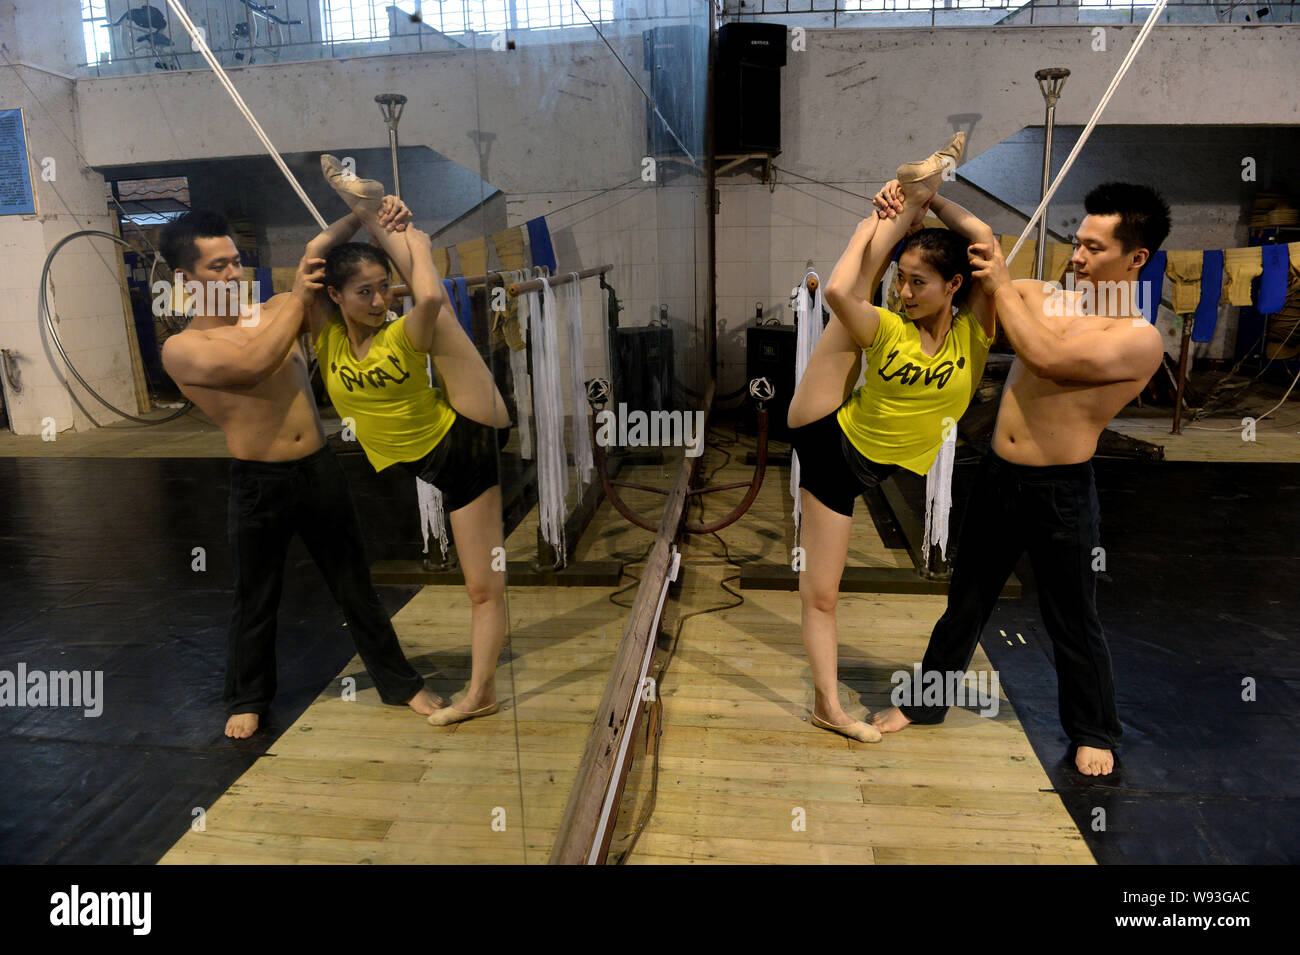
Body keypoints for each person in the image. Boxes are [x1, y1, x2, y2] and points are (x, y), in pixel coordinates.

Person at [871, 182, 1170, 778]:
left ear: (1135, 259)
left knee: (1070, 618)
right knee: (966, 601)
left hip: (1059, 492)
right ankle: (926, 703)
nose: (1077, 256)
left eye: (1093, 247)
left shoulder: (1138, 340)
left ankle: (1093, 730)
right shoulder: (1044, 296)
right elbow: (980, 241)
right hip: (997, 476)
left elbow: (1045, 359)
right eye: (1076, 242)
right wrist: (926, 198)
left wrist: (1004, 286)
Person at [159, 208, 445, 739]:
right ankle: (247, 697)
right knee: (256, 596)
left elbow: (318, 251)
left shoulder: (276, 310)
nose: (233, 275)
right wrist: (296, 296)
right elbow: (252, 365)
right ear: (184, 279)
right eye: (217, 266)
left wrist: (364, 208)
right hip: (258, 484)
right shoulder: (183, 349)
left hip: (318, 469)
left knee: (355, 586)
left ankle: (400, 683)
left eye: (236, 261)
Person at [786, 133, 998, 743]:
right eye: (901, 280)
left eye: (919, 283)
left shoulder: (976, 332)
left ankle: (913, 189)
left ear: (955, 286)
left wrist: (934, 203)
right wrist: (877, 224)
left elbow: (983, 242)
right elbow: (838, 293)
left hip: (873, 461)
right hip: (829, 443)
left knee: (859, 298)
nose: (904, 294)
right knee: (821, 594)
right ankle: (828, 705)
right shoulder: (889, 327)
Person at [309, 156, 511, 726]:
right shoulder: (326, 341)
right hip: (435, 464)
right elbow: (311, 259)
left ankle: (481, 693)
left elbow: (426, 300)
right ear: (336, 298)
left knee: (482, 588)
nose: (378, 302)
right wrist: (356, 218)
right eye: (364, 293)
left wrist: (417, 250)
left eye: (382, 290)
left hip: (471, 440)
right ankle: (374, 211)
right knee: (479, 588)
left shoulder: (400, 331)